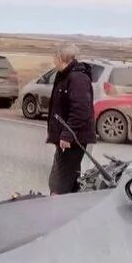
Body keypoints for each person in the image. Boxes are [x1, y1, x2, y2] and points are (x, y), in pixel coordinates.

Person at [46, 43, 96, 194]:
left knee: (59, 183)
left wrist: (67, 135)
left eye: (55, 57)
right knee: (69, 179)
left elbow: (81, 110)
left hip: (73, 139)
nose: (53, 61)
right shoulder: (65, 75)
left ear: (61, 57)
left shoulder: (77, 78)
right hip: (68, 137)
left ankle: (56, 213)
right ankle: (71, 209)